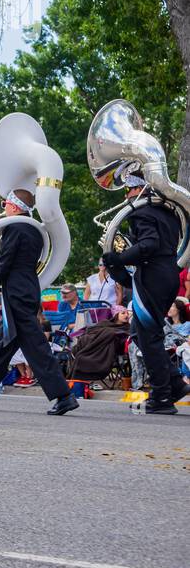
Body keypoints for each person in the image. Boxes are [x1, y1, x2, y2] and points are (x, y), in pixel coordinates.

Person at [0, 189, 77, 415]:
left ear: (15, 207)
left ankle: (64, 396)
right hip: (26, 286)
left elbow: (7, 265)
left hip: (16, 291)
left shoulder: (14, 227)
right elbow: (17, 259)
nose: (4, 207)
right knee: (6, 343)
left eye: (6, 203)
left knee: (35, 346)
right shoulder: (32, 229)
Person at [102, 175, 188, 414]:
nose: (126, 195)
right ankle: (175, 384)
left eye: (128, 189)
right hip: (168, 272)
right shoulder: (166, 210)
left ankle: (161, 397)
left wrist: (118, 258)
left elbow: (149, 244)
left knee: (148, 338)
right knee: (140, 334)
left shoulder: (141, 211)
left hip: (153, 276)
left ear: (138, 189)